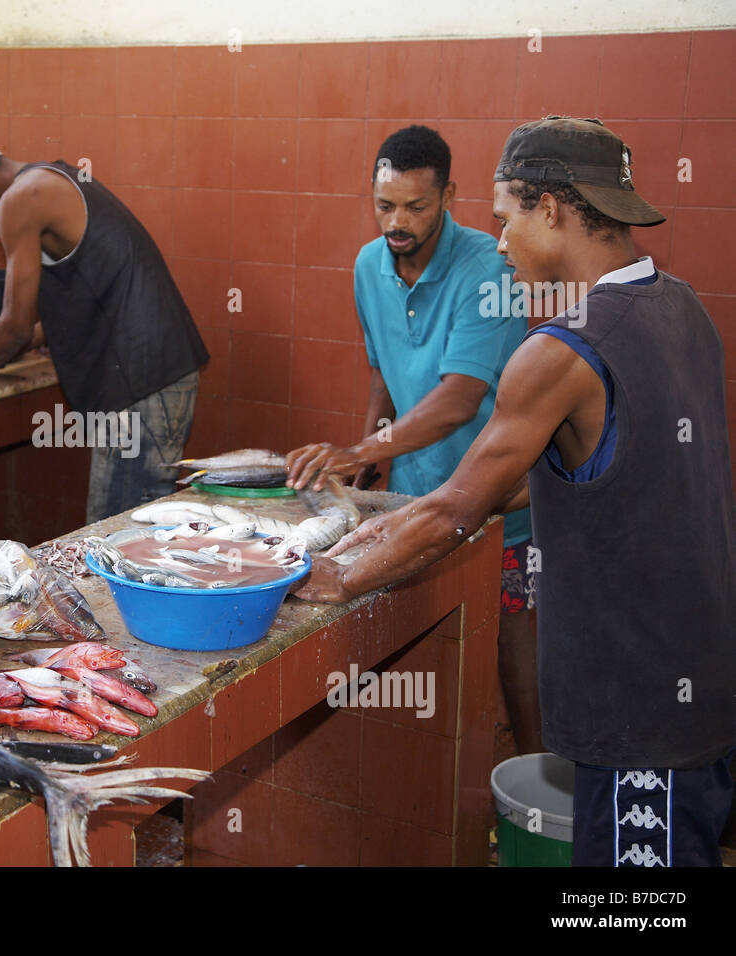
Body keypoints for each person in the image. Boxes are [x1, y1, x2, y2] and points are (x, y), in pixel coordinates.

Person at [295, 117, 736, 867]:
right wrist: (378, 529)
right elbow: (586, 476)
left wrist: (331, 576)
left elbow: (457, 506)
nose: (499, 242)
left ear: (553, 210)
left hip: (641, 706)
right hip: (699, 678)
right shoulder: (682, 306)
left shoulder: (563, 348)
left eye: (506, 220)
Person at [285, 125, 541, 754]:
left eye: (416, 207)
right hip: (417, 502)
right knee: (431, 648)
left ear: (449, 195)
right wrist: (372, 457)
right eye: (384, 205)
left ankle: (540, 795)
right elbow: (383, 373)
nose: (396, 222)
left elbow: (459, 400)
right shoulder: (369, 265)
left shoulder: (490, 267)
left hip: (498, 505)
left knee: (516, 655)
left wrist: (357, 452)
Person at [0, 120, 209, 523]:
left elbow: (15, 325)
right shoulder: (53, 177)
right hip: (154, 376)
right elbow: (89, 290)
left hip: (141, 385)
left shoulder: (22, 198)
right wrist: (36, 337)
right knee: (129, 525)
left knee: (118, 532)